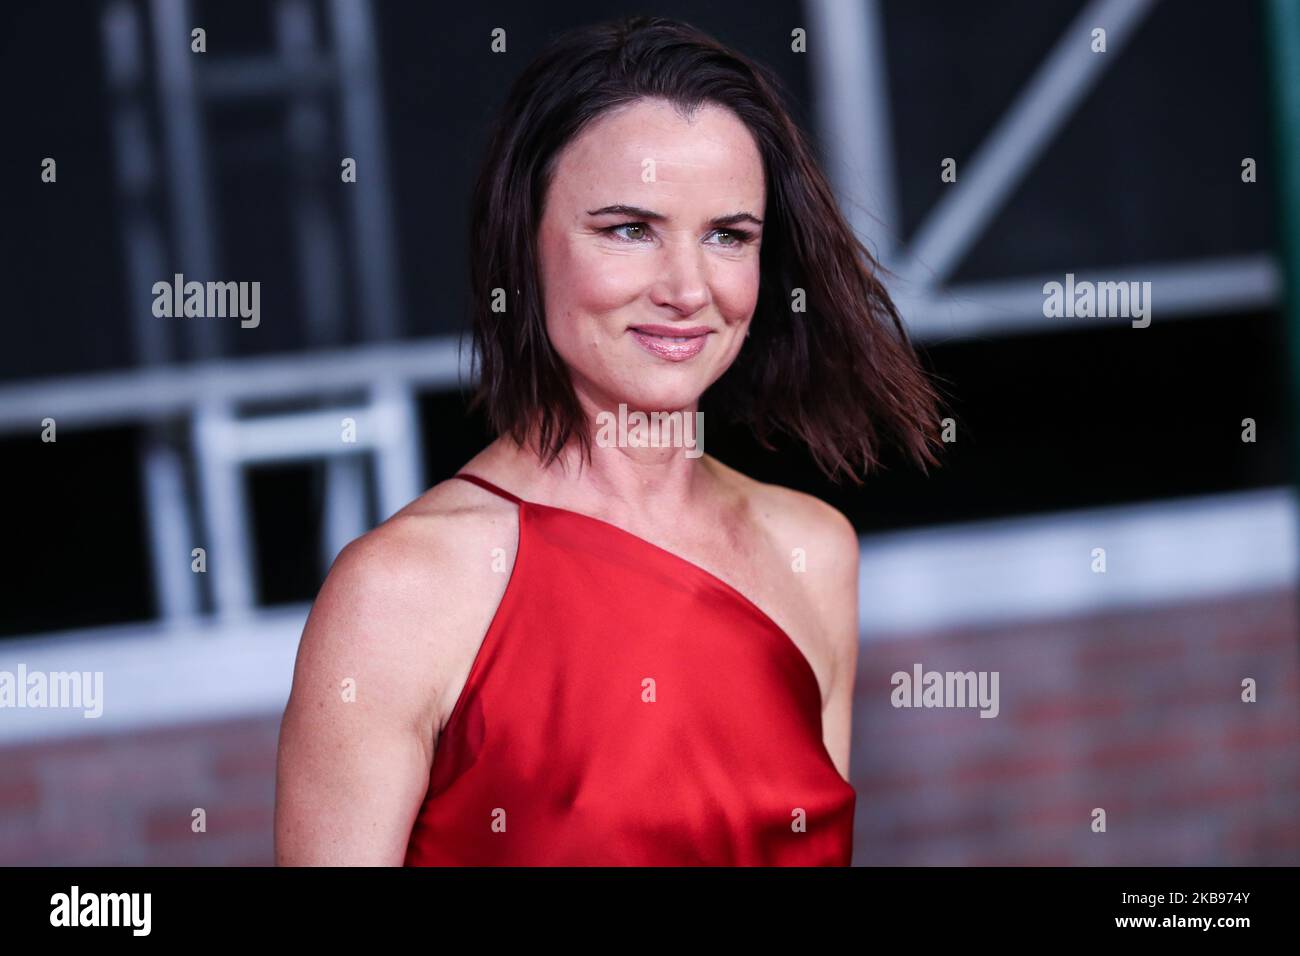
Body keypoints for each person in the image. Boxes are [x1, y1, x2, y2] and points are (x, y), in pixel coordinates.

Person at [275, 14, 944, 866]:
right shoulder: (400, 591)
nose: (687, 288)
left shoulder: (814, 547)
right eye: (629, 229)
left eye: (727, 236)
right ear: (524, 244)